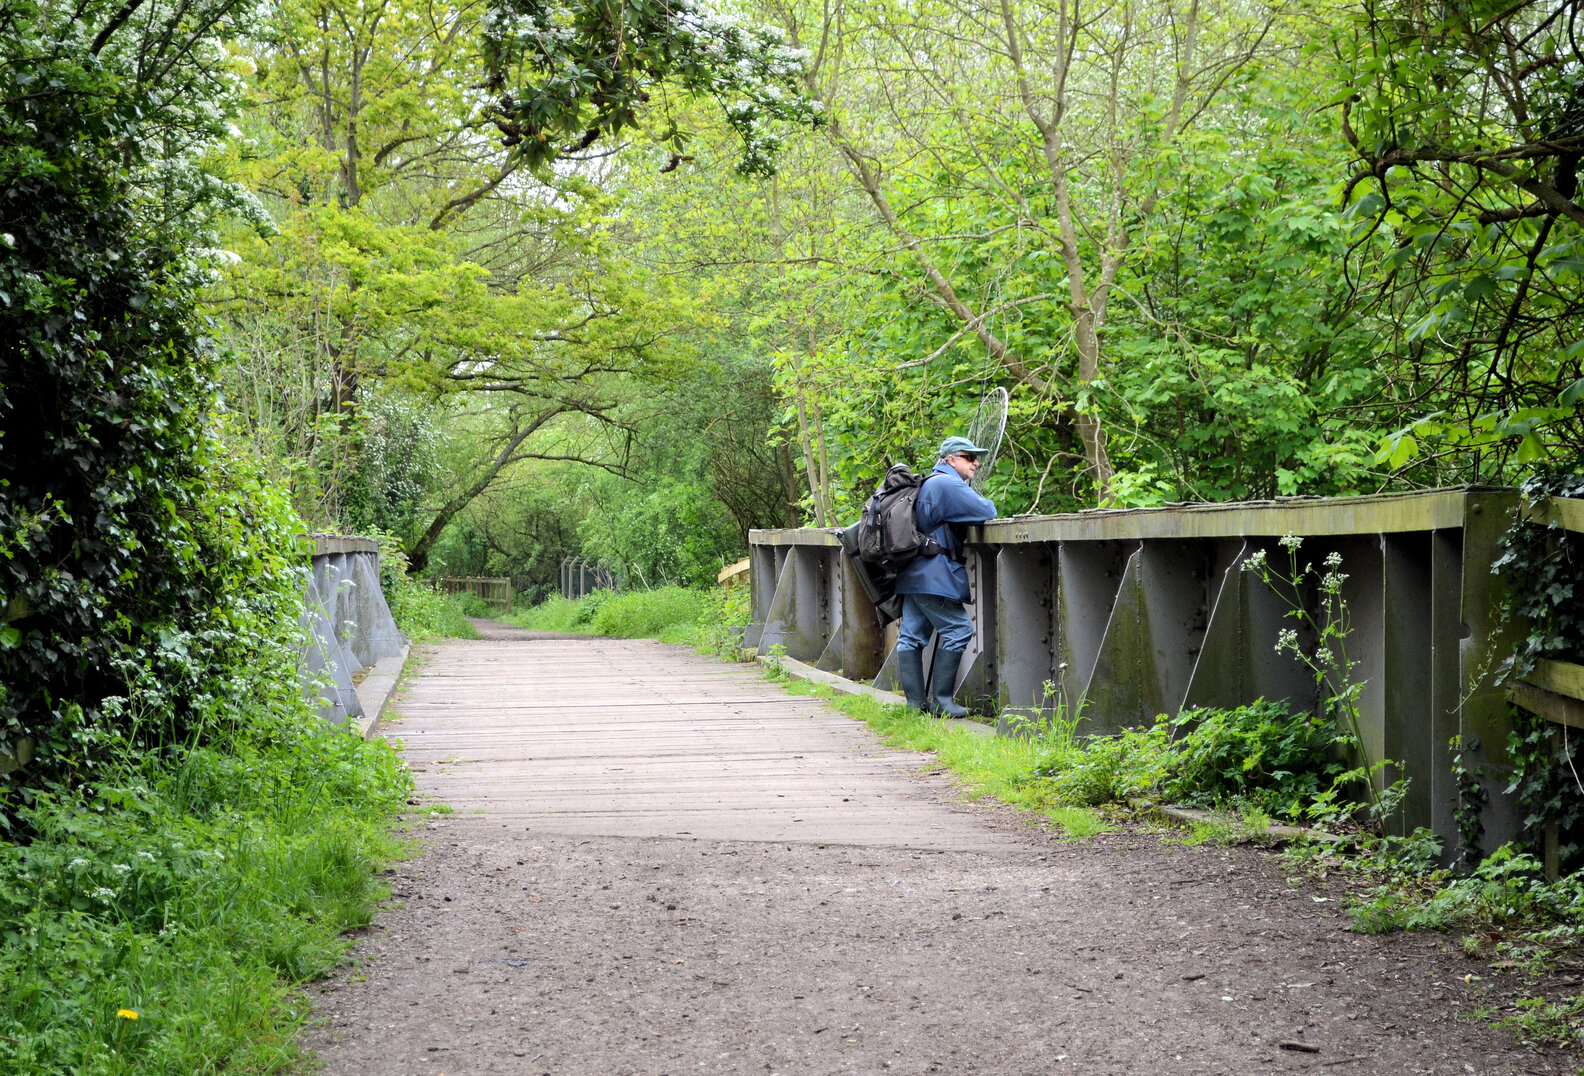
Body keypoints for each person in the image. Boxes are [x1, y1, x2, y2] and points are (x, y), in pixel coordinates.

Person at [893, 435, 997, 716]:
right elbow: (987, 510)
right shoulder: (947, 483)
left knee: (911, 636)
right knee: (959, 630)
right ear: (951, 459)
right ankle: (942, 701)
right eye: (969, 457)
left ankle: (916, 706)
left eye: (976, 457)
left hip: (914, 573)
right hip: (934, 575)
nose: (975, 462)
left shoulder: (929, 482)